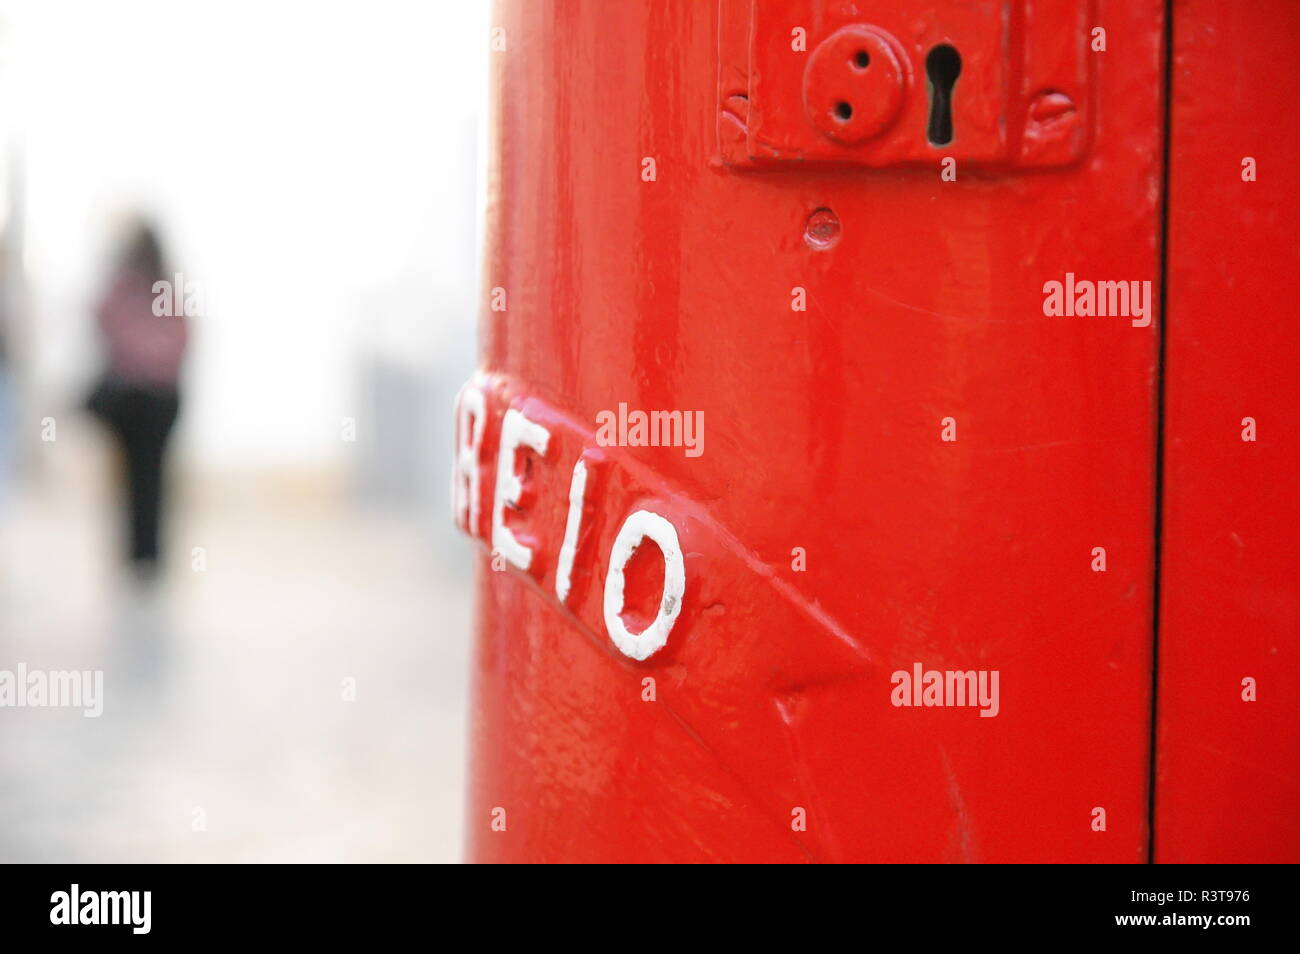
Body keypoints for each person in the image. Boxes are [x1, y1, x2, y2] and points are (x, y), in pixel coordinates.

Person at [88, 221, 188, 577]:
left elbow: (102, 319)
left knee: (136, 476)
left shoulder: (135, 285)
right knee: (151, 476)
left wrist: (138, 361)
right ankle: (147, 555)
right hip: (156, 397)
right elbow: (180, 336)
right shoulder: (164, 286)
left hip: (141, 397)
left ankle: (141, 555)